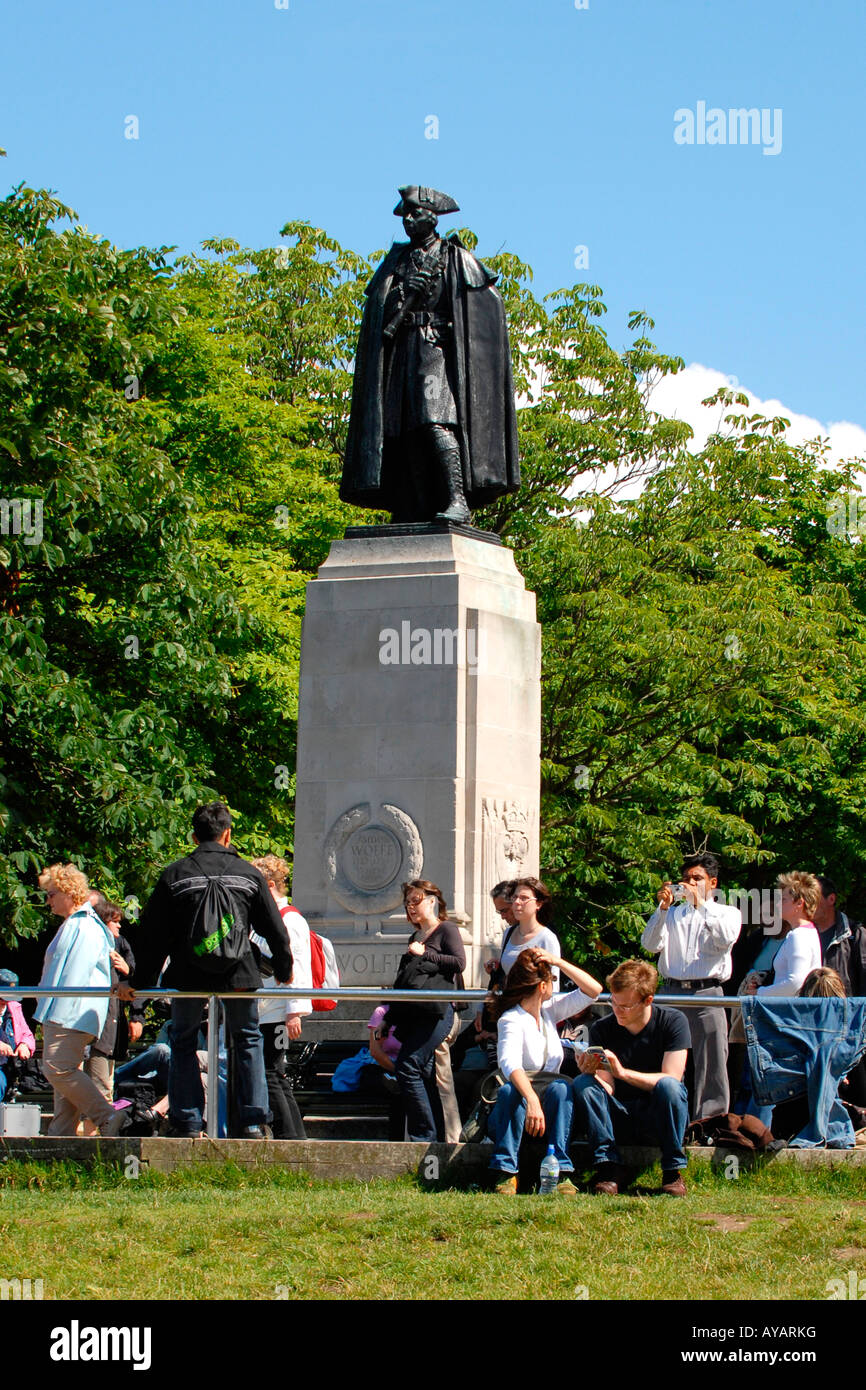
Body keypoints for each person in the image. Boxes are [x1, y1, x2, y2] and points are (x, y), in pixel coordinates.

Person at [340, 185, 519, 523]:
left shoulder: (454, 257)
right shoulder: (396, 260)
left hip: (436, 350)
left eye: (414, 214)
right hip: (401, 349)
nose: (408, 220)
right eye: (404, 215)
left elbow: (484, 310)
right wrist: (396, 300)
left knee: (434, 421)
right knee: (403, 428)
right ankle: (415, 505)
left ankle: (458, 500)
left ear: (432, 217)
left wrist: (455, 331)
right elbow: (378, 304)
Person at [131, 802, 294, 1139]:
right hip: (239, 974)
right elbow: (275, 929)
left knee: (183, 1041)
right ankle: (252, 1123)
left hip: (189, 975)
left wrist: (141, 986)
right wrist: (283, 968)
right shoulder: (248, 874)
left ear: (193, 835)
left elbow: (152, 938)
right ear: (228, 834)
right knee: (248, 1039)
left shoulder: (175, 874)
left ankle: (187, 1122)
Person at [487, 948, 602, 1194]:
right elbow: (510, 1064)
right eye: (551, 979)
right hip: (519, 1103)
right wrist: (531, 1100)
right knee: (509, 1091)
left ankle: (560, 1171)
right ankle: (505, 1172)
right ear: (541, 986)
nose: (554, 984)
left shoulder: (549, 1010)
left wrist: (557, 961)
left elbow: (594, 990)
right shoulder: (511, 1019)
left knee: (562, 1087)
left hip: (550, 1104)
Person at [572, 959, 691, 1197]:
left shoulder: (673, 1022)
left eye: (625, 1006)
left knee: (669, 1087)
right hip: (620, 1113)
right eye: (613, 1002)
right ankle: (608, 1168)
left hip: (659, 1114)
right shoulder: (603, 1028)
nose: (617, 1011)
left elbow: (672, 1078)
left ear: (648, 1000)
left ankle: (672, 1170)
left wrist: (623, 1073)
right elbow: (608, 1086)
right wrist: (591, 1072)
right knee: (583, 1084)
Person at [641, 851, 741, 1120]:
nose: (689, 883)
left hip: (707, 993)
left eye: (697, 878)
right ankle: (669, 1118)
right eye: (686, 878)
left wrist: (701, 905)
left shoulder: (727, 913)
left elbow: (724, 940)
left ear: (713, 883)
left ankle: (710, 1122)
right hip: (671, 991)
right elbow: (650, 945)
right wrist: (662, 909)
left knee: (712, 1061)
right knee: (666, 1057)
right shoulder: (672, 914)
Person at [34, 864, 131, 1137]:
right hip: (68, 1012)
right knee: (67, 1076)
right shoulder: (79, 924)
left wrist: (52, 1013)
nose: (48, 900)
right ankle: (61, 1135)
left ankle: (107, 1115)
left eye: (51, 893)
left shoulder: (83, 926)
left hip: (68, 1013)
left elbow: (72, 975)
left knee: (57, 1069)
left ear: (67, 892)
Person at [386, 879, 465, 1142]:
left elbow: (459, 963)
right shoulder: (415, 936)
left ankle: (423, 1136)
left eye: (416, 900)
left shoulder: (447, 930)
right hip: (413, 1013)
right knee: (425, 1072)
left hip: (437, 1012)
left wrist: (425, 955)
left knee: (407, 1066)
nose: (411, 907)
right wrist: (388, 1017)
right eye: (407, 902)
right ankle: (439, 1136)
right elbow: (404, 981)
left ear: (432, 901)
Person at [250, 854, 310, 1140]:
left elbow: (298, 964)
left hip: (278, 1012)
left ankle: (290, 1137)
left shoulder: (291, 920)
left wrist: (294, 1011)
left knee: (272, 1073)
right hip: (266, 1010)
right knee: (273, 1073)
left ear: (270, 885)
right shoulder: (266, 920)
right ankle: (293, 1136)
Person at [744, 872, 822, 998]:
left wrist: (759, 993)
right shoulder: (808, 932)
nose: (777, 904)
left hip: (789, 1013)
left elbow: (796, 983)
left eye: (783, 900)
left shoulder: (798, 935)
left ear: (799, 903)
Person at [0, 969, 35, 1102]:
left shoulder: (14, 1008)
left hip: (9, 1067)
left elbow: (27, 1033)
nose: (5, 1002)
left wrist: (24, 1044)